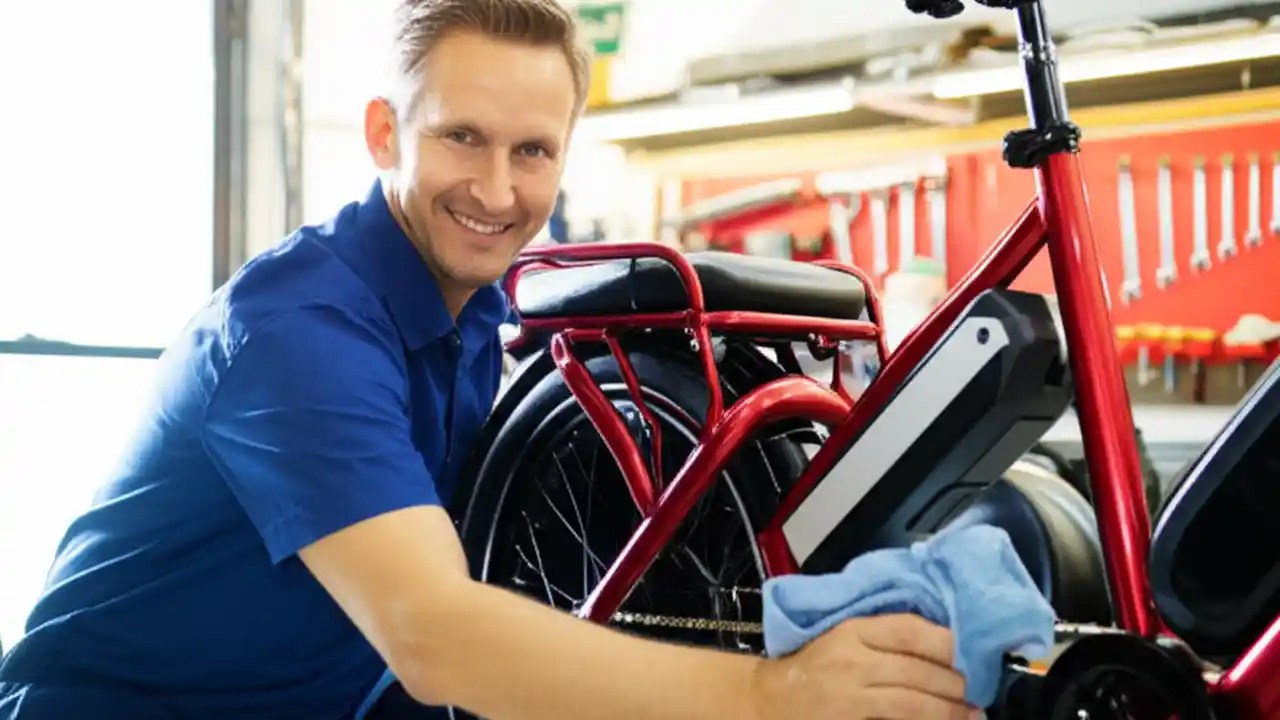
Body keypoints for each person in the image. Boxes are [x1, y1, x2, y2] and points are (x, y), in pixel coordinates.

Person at [0, 1, 978, 718]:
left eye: (532, 151)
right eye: (460, 137)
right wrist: (772, 697)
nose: (497, 189)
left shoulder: (469, 314)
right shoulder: (297, 334)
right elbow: (434, 635)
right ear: (385, 131)